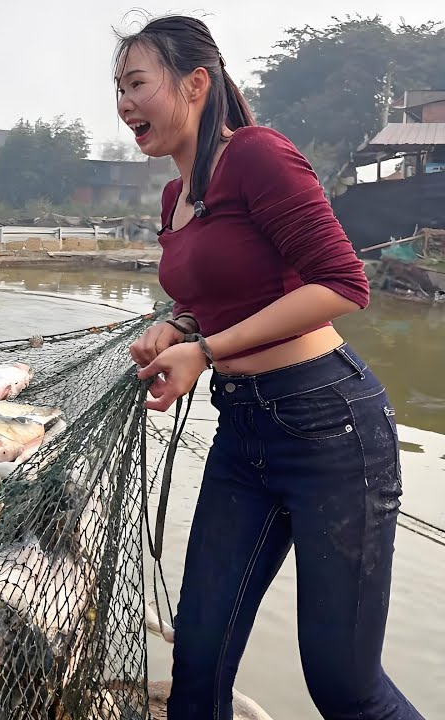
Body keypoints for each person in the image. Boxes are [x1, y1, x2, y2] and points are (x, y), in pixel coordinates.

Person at [114, 15, 424, 720]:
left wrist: (206, 350)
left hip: (333, 430)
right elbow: (217, 292)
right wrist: (179, 323)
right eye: (118, 88)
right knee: (197, 667)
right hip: (245, 431)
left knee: (344, 686)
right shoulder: (176, 196)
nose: (124, 103)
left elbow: (342, 283)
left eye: (138, 84)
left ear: (196, 84)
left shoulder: (256, 155)